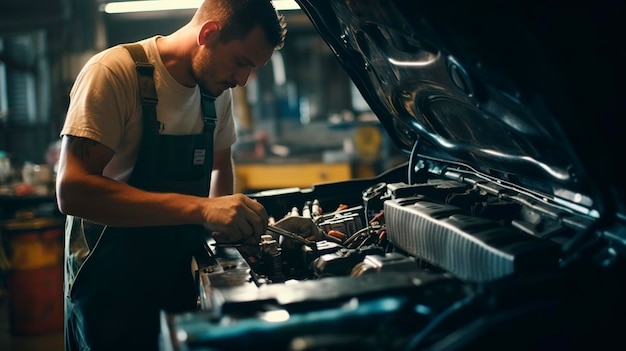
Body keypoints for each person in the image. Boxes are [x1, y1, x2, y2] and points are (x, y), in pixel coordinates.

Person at [55, 1, 287, 350]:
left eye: (251, 69)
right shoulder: (115, 73)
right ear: (208, 34)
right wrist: (203, 210)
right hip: (111, 291)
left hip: (180, 279)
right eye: (241, 62)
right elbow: (72, 191)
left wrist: (229, 232)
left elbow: (220, 166)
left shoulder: (215, 93)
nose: (242, 81)